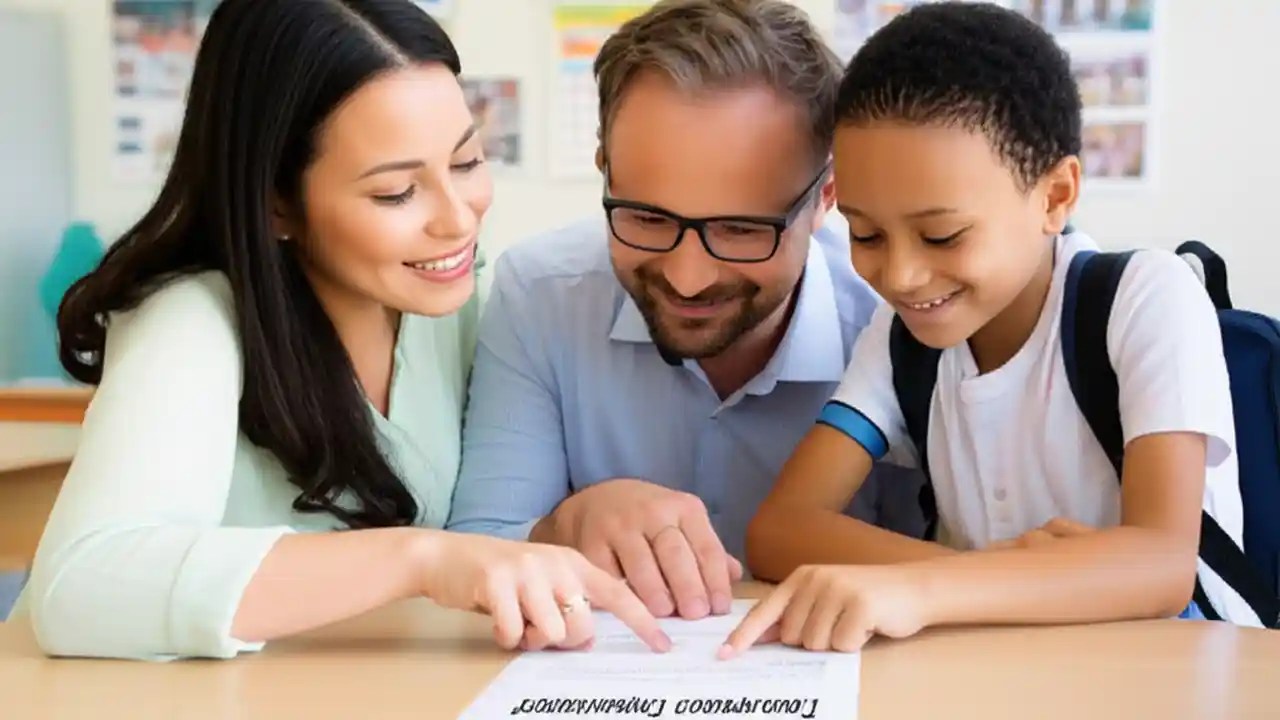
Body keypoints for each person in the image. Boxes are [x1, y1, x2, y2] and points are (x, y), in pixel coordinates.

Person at [10, 0, 667, 661]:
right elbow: (81, 589)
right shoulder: (189, 323)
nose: (457, 220)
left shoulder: (448, 300)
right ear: (276, 203)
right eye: (395, 193)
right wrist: (421, 559)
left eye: (468, 162)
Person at [721, 1, 1261, 657]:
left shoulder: (1146, 296)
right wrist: (1003, 578)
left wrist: (925, 590)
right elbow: (780, 528)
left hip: (1177, 666)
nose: (901, 273)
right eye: (865, 233)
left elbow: (1162, 566)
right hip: (1003, 660)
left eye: (941, 234)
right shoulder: (900, 340)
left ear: (1055, 196)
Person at [446, 0, 923, 625]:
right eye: (647, 218)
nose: (686, 277)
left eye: (740, 229)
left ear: (826, 197)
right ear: (605, 172)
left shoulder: (900, 319)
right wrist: (560, 527)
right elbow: (473, 552)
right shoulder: (540, 292)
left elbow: (947, 559)